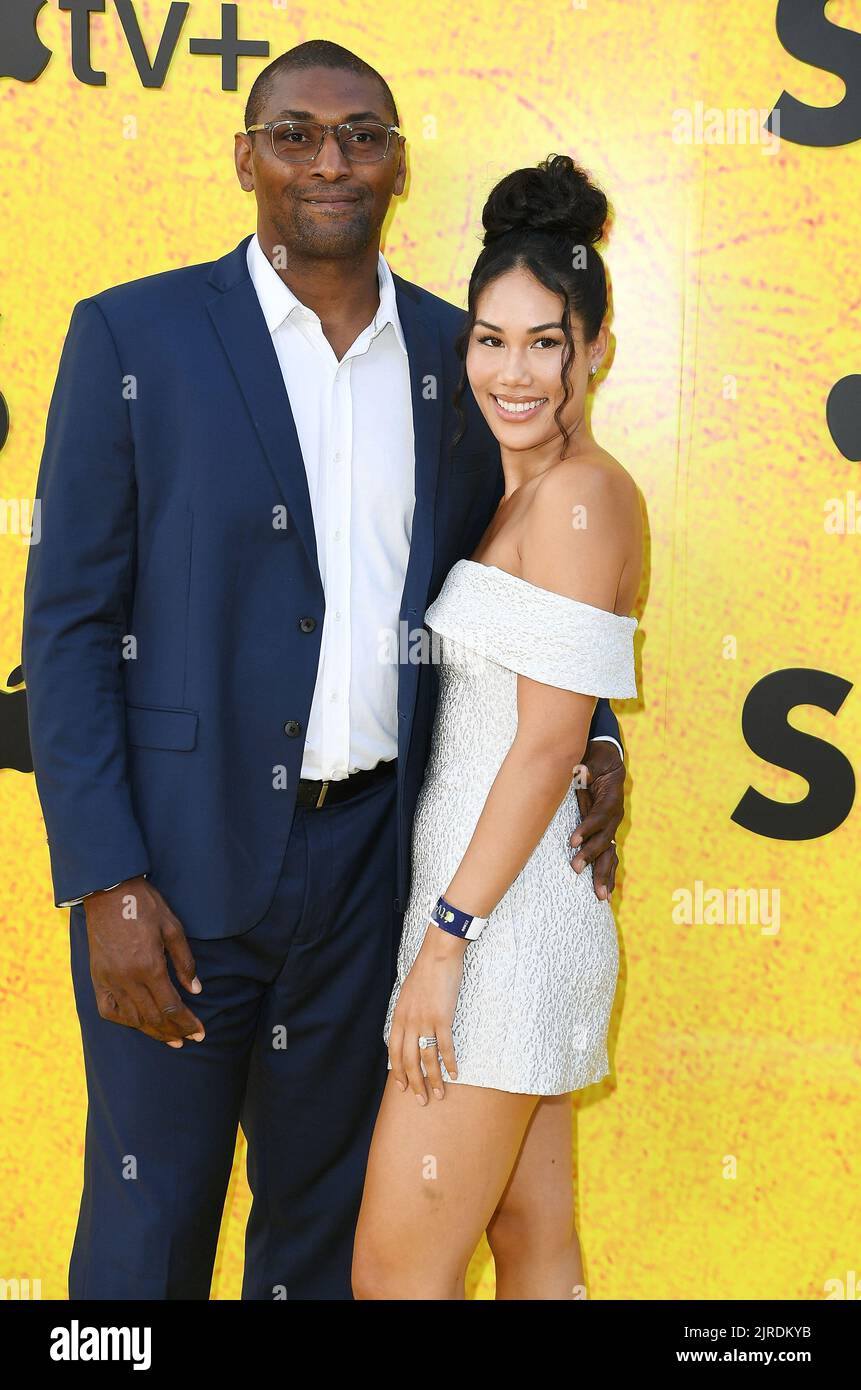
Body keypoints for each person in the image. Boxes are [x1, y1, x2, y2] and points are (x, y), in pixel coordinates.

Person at [21, 42, 629, 1301]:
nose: (331, 159)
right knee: (144, 1237)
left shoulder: (463, 361)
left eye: (361, 134)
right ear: (245, 158)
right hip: (173, 881)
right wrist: (106, 880)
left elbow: (513, 592)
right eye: (295, 133)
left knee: (318, 1237)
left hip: (371, 876)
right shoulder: (135, 335)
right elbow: (69, 625)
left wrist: (599, 738)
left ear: (399, 164)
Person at [353, 155, 643, 1301]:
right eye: (491, 337)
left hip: (497, 933)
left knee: (396, 1275)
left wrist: (444, 946)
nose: (513, 370)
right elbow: (556, 709)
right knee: (533, 1246)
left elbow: (541, 745)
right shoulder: (523, 485)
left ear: (596, 351)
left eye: (544, 342)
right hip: (508, 914)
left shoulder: (579, 496)